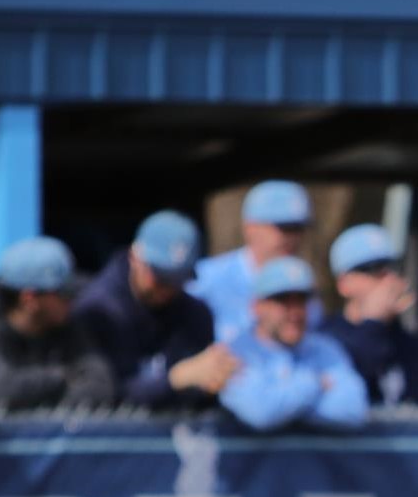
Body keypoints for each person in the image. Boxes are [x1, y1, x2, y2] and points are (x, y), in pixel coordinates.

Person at [72, 211, 232, 411]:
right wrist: (175, 379)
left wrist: (210, 381)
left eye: (177, 280)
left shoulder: (196, 313)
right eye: (160, 278)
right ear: (134, 257)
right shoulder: (98, 312)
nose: (167, 289)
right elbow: (108, 396)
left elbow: (200, 400)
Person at [0, 236, 116, 410]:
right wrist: (63, 376)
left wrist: (39, 396)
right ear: (29, 299)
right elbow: (5, 390)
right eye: (63, 294)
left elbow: (102, 386)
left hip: (49, 425)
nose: (71, 300)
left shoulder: (68, 323)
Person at [220, 257, 368, 431]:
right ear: (257, 306)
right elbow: (260, 412)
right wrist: (314, 384)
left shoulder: (326, 349)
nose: (295, 313)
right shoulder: (235, 352)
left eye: (301, 300)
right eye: (282, 300)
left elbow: (353, 409)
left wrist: (283, 404)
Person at [318, 224, 418, 407]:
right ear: (344, 283)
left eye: (393, 268)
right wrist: (374, 322)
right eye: (374, 270)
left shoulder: (417, 347)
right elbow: (348, 383)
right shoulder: (326, 340)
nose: (389, 280)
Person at [187, 180, 322, 344]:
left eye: (298, 229)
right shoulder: (205, 279)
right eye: (284, 228)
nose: (292, 238)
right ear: (250, 227)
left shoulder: (302, 287)